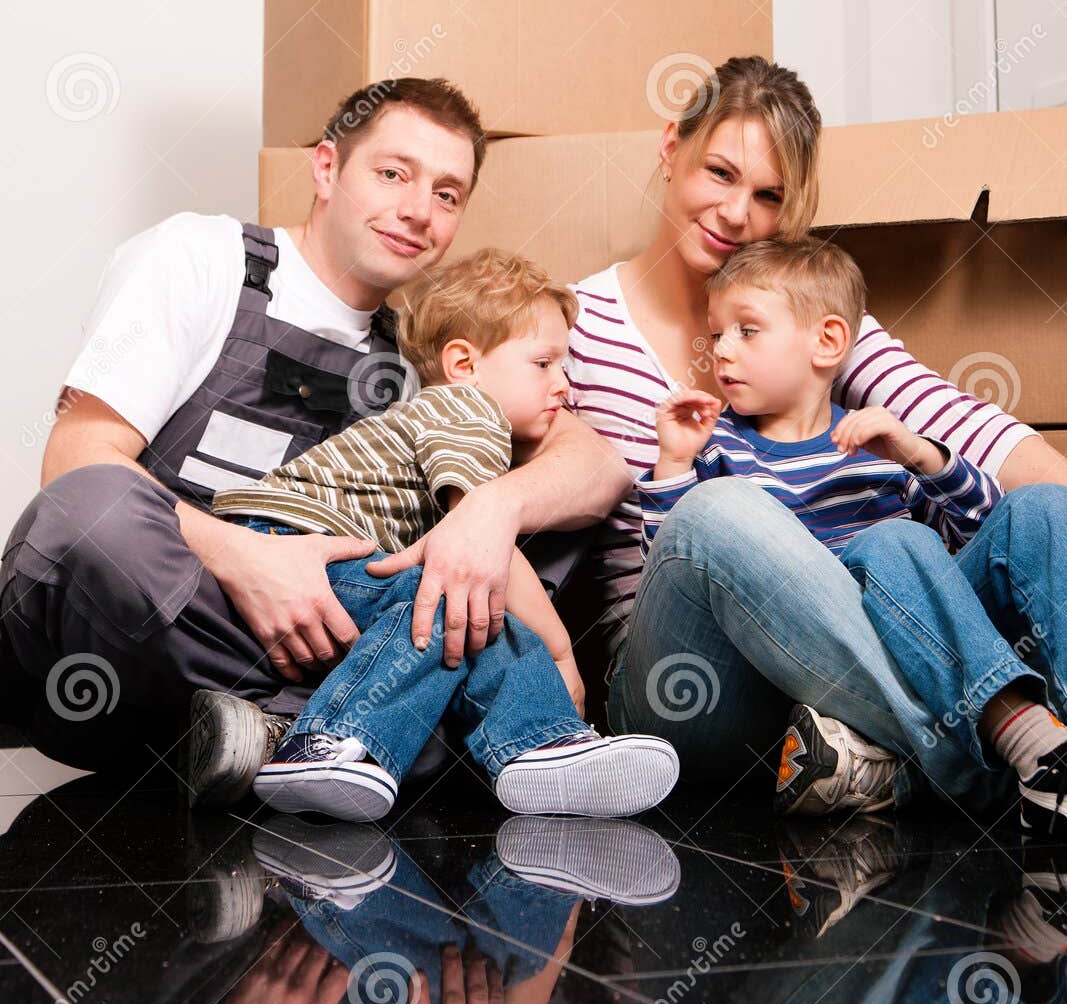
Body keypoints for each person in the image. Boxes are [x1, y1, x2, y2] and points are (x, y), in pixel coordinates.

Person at [0, 78, 631, 780]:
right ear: (327, 168)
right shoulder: (201, 257)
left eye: (447, 195)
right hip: (149, 620)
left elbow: (598, 464)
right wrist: (244, 559)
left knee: (518, 557)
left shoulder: (424, 354)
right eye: (392, 174)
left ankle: (275, 741)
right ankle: (355, 734)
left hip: (310, 638)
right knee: (89, 512)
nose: (417, 211)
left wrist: (494, 509)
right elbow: (76, 458)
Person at [563, 55, 1067, 802]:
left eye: (768, 195)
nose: (738, 214)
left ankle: (1007, 758)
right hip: (696, 680)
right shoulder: (576, 323)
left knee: (1031, 512)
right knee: (719, 513)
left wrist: (925, 456)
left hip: (852, 667)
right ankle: (984, 766)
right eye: (720, 173)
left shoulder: (821, 328)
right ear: (670, 148)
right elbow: (507, 447)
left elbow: (971, 435)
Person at [204, 247, 677, 822]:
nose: (565, 388)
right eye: (544, 364)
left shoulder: (434, 413)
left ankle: (537, 749)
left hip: (297, 549)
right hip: (289, 544)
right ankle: (333, 741)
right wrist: (559, 653)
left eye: (567, 369)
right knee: (463, 600)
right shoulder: (466, 410)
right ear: (464, 364)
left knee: (457, 620)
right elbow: (484, 543)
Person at [638, 234, 1067, 837]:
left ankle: (1056, 753)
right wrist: (674, 466)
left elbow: (989, 540)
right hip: (806, 662)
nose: (721, 353)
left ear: (829, 341)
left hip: (928, 644)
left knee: (1042, 507)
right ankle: (1016, 739)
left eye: (747, 330)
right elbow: (675, 566)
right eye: (717, 334)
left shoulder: (878, 444)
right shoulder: (718, 447)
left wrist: (923, 458)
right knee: (895, 542)